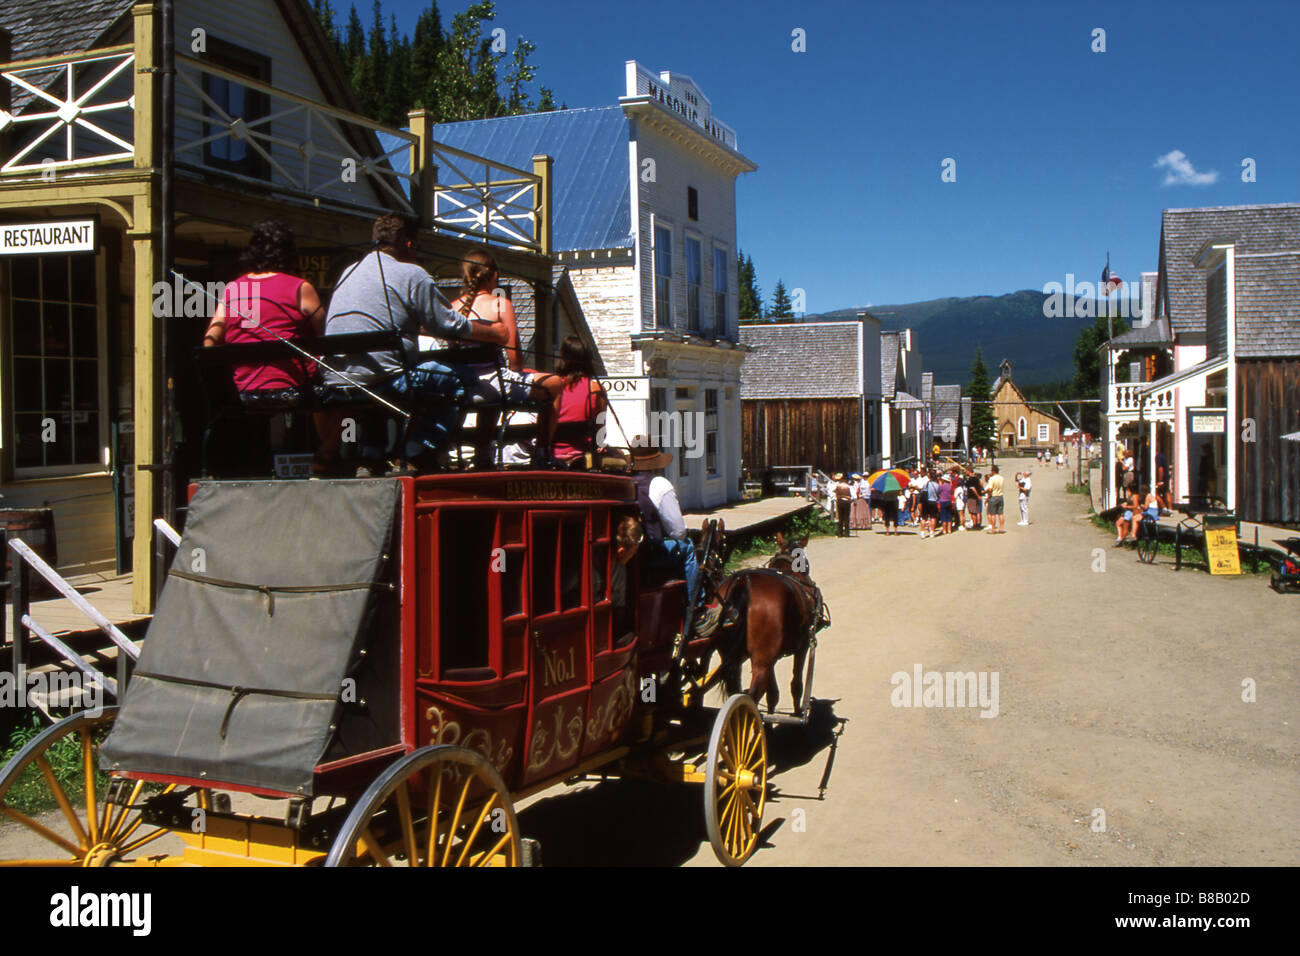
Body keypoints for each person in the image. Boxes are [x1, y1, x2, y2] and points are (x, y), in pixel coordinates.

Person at [324, 213, 508, 470]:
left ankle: (371, 453)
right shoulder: (412, 273)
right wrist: (496, 333)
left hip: (339, 380)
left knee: (378, 380)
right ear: (410, 244)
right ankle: (416, 452)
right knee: (459, 378)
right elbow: (447, 325)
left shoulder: (348, 271)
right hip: (385, 380)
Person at [202, 219, 337, 471]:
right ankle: (325, 457)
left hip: (246, 394)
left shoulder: (233, 289)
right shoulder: (300, 288)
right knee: (341, 395)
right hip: (296, 392)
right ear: (289, 253)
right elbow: (324, 339)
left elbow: (212, 336)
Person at [630, 441, 698, 601]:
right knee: (687, 548)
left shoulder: (627, 483)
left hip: (633, 551)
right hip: (652, 552)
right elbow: (678, 531)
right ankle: (697, 606)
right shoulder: (659, 484)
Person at [550, 335, 607, 466]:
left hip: (552, 456)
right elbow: (600, 433)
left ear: (563, 358)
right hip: (581, 458)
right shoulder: (596, 389)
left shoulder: (552, 385)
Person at [985, 465, 1005, 534]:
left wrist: (986, 492)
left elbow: (990, 489)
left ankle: (993, 529)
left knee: (992, 514)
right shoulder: (1001, 478)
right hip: (1000, 495)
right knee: (1000, 513)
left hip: (994, 496)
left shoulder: (992, 479)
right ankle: (1002, 528)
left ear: (993, 471)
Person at [832, 472, 852, 537]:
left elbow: (833, 492)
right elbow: (854, 496)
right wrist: (853, 500)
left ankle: (840, 533)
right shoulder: (849, 486)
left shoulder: (838, 485)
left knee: (840, 517)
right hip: (847, 502)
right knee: (846, 517)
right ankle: (846, 533)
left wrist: (836, 498)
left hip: (839, 501)